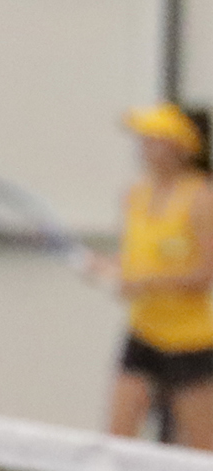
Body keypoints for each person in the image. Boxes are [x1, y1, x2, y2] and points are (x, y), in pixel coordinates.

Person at [102, 102, 213, 449]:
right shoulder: (135, 196)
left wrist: (147, 283)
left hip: (190, 342)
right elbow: (135, 258)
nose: (144, 148)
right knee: (115, 441)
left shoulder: (201, 198)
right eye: (143, 140)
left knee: (202, 448)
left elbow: (204, 274)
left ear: (179, 148)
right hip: (143, 333)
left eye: (154, 140)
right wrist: (111, 271)